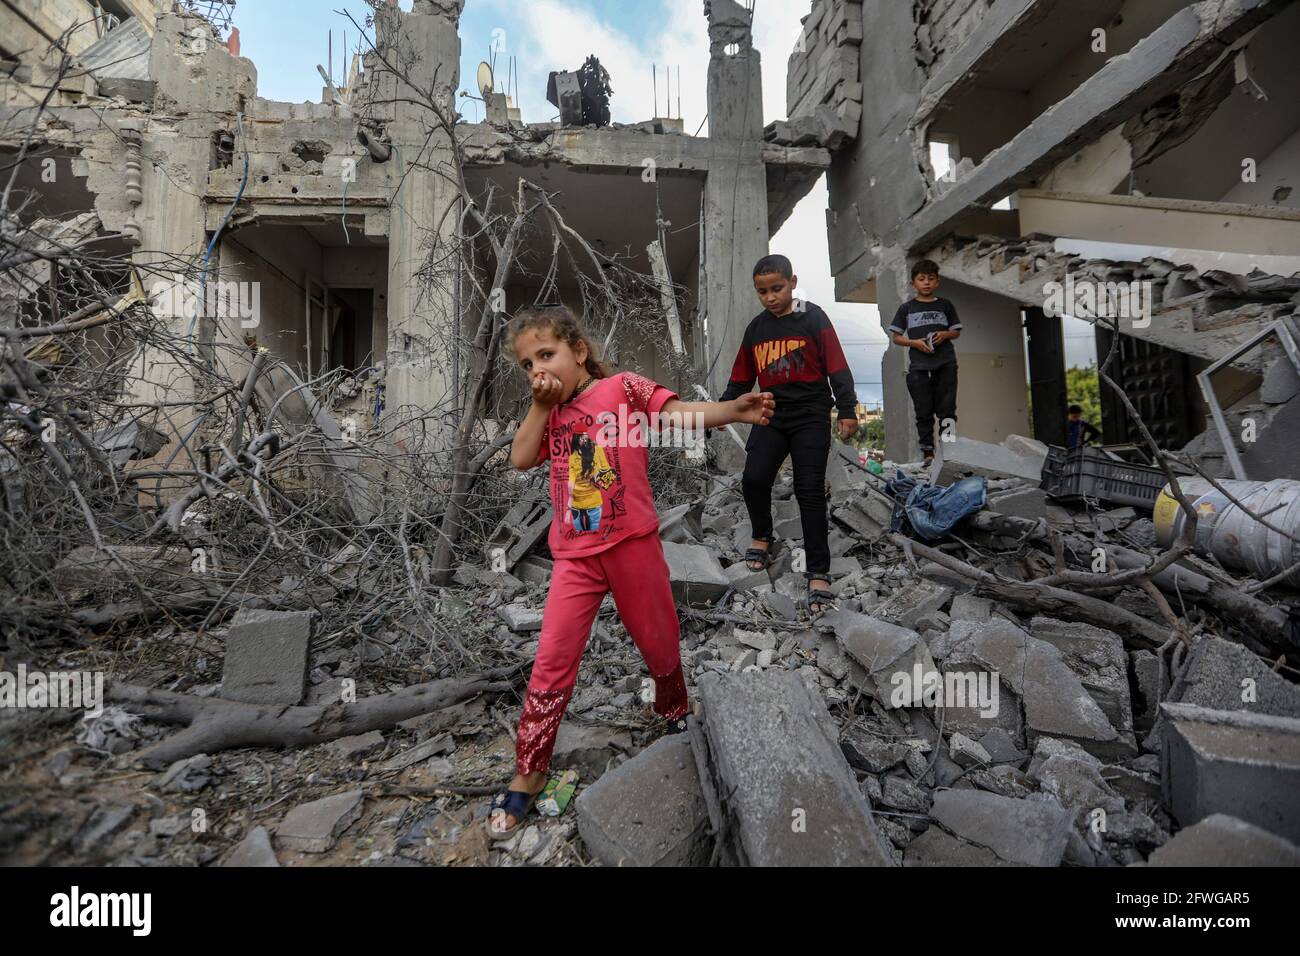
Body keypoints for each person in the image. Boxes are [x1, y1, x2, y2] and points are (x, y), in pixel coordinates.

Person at [489, 305, 775, 837]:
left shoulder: (623, 389)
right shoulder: (546, 412)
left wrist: (733, 410)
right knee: (552, 658)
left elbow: (679, 413)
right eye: (527, 364)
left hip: (633, 545)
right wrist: (536, 405)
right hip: (575, 557)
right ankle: (529, 771)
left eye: (545, 355)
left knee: (659, 641)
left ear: (578, 351)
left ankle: (672, 705)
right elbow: (520, 459)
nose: (537, 370)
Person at [719, 253, 858, 617]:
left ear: (792, 282)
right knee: (753, 478)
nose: (769, 297)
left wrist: (846, 408)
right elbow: (740, 376)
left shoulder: (812, 317)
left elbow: (837, 364)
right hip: (772, 415)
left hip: (811, 415)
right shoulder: (757, 329)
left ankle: (818, 571)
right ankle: (762, 537)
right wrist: (721, 410)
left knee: (808, 490)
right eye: (762, 291)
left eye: (776, 288)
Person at [888, 259, 961, 461]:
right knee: (923, 412)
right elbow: (896, 336)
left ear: (937, 282)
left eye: (930, 279)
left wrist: (944, 335)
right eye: (921, 279)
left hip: (946, 364)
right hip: (919, 368)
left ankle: (949, 450)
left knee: (948, 410)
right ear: (913, 284)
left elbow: (956, 331)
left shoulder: (945, 305)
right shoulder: (907, 309)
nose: (926, 282)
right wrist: (916, 343)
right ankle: (928, 452)